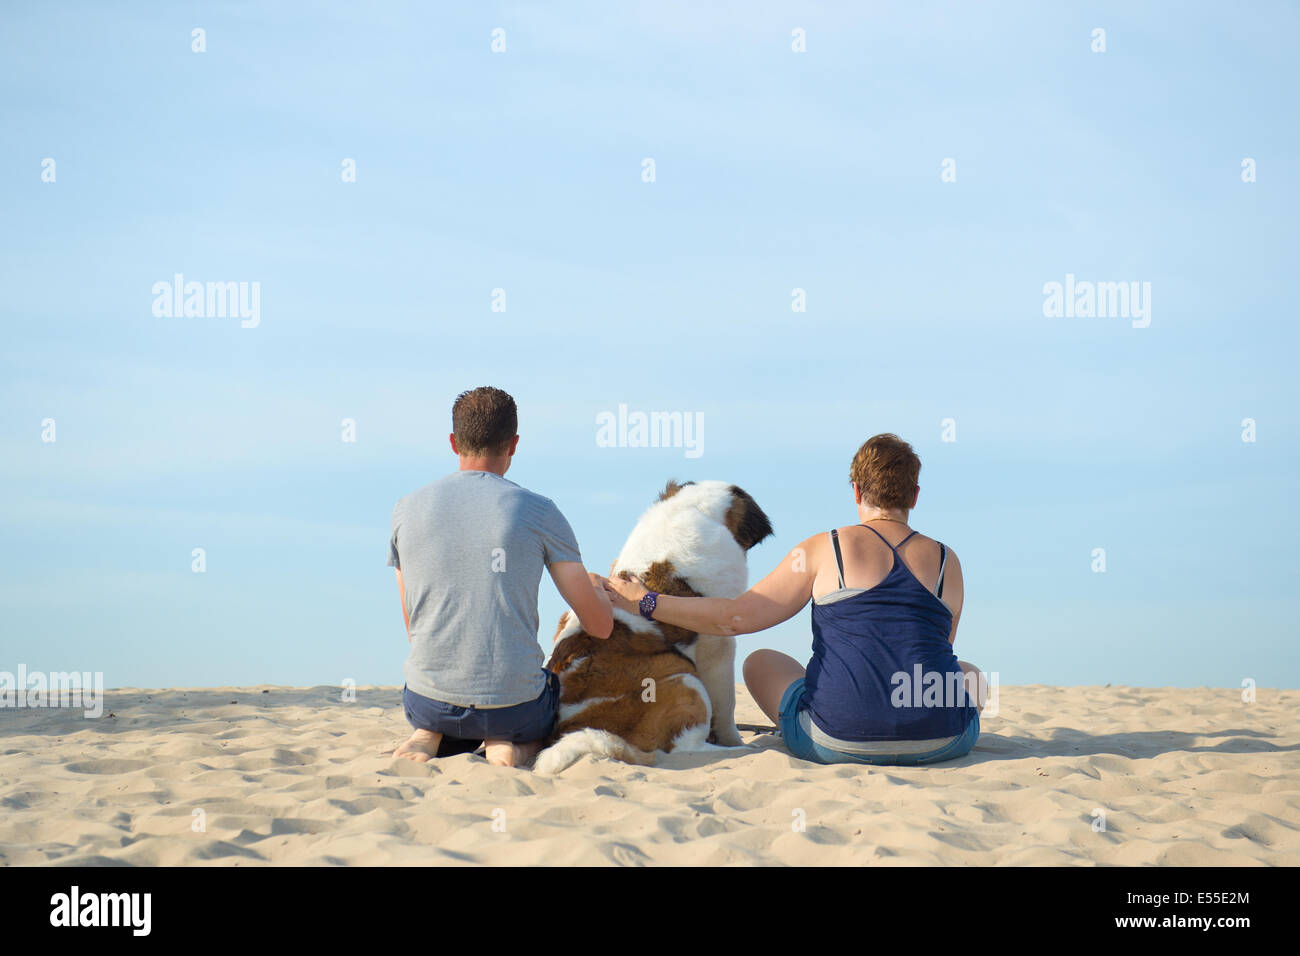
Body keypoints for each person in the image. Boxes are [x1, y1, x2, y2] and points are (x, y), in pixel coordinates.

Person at [603, 433, 985, 766]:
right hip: (943, 740)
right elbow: (935, 647)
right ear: (914, 495)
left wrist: (646, 602)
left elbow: (735, 619)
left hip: (836, 739)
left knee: (760, 662)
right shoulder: (947, 560)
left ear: (856, 490)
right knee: (970, 674)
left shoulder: (825, 548)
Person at [388, 387, 613, 767]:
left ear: (453, 442)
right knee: (544, 702)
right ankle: (507, 745)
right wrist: (596, 588)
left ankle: (427, 734)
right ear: (514, 444)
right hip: (515, 706)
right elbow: (600, 626)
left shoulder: (406, 509)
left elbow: (413, 622)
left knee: (438, 701)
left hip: (426, 700)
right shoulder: (539, 511)